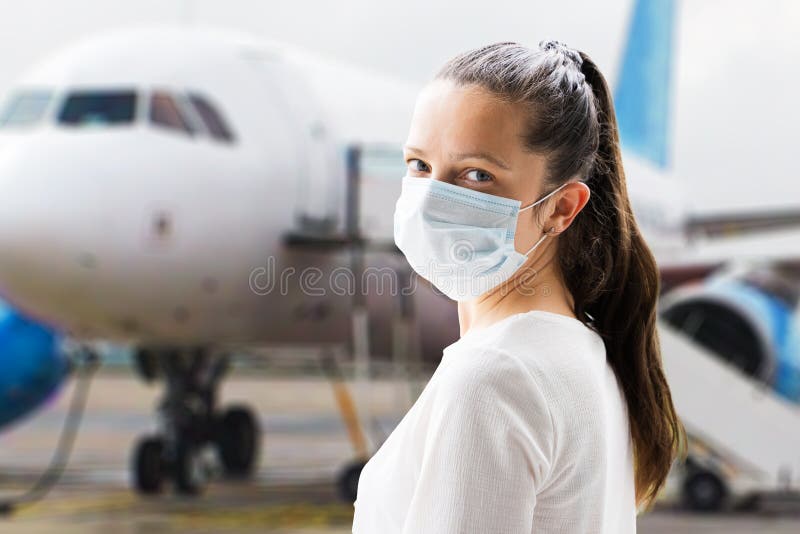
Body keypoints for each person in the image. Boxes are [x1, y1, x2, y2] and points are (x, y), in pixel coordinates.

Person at [351, 40, 687, 533]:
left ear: (561, 208)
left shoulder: (492, 377)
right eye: (419, 165)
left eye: (477, 175)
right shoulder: (582, 353)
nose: (430, 200)